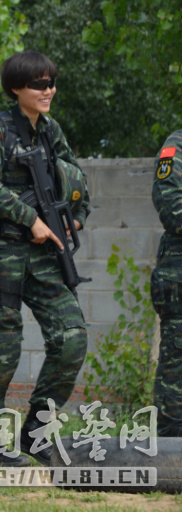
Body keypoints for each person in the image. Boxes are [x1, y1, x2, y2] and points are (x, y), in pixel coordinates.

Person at [0, 51, 89, 466]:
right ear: (17, 87)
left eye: (51, 82)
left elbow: (74, 178)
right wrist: (29, 218)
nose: (48, 90)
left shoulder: (51, 131)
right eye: (39, 84)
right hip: (4, 251)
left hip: (45, 254)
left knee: (71, 339)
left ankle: (36, 433)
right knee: (2, 348)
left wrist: (75, 219)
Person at [151, 129, 182, 437]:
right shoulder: (177, 147)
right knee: (178, 354)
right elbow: (170, 207)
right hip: (178, 273)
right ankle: (173, 441)